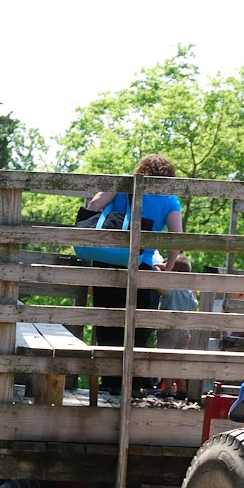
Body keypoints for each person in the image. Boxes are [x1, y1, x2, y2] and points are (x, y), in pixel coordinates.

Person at [80, 153, 185, 396]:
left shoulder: (123, 185)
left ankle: (111, 384)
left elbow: (95, 204)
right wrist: (167, 269)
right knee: (140, 330)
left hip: (108, 265)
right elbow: (176, 239)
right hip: (142, 267)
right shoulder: (170, 199)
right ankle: (133, 385)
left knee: (108, 326)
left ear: (141, 170)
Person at [156, 253, 198, 399]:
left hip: (168, 331)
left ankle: (167, 387)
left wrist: (158, 269)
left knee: (166, 359)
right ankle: (182, 388)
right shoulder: (188, 293)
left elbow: (160, 288)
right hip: (184, 333)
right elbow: (195, 304)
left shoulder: (171, 290)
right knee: (180, 360)